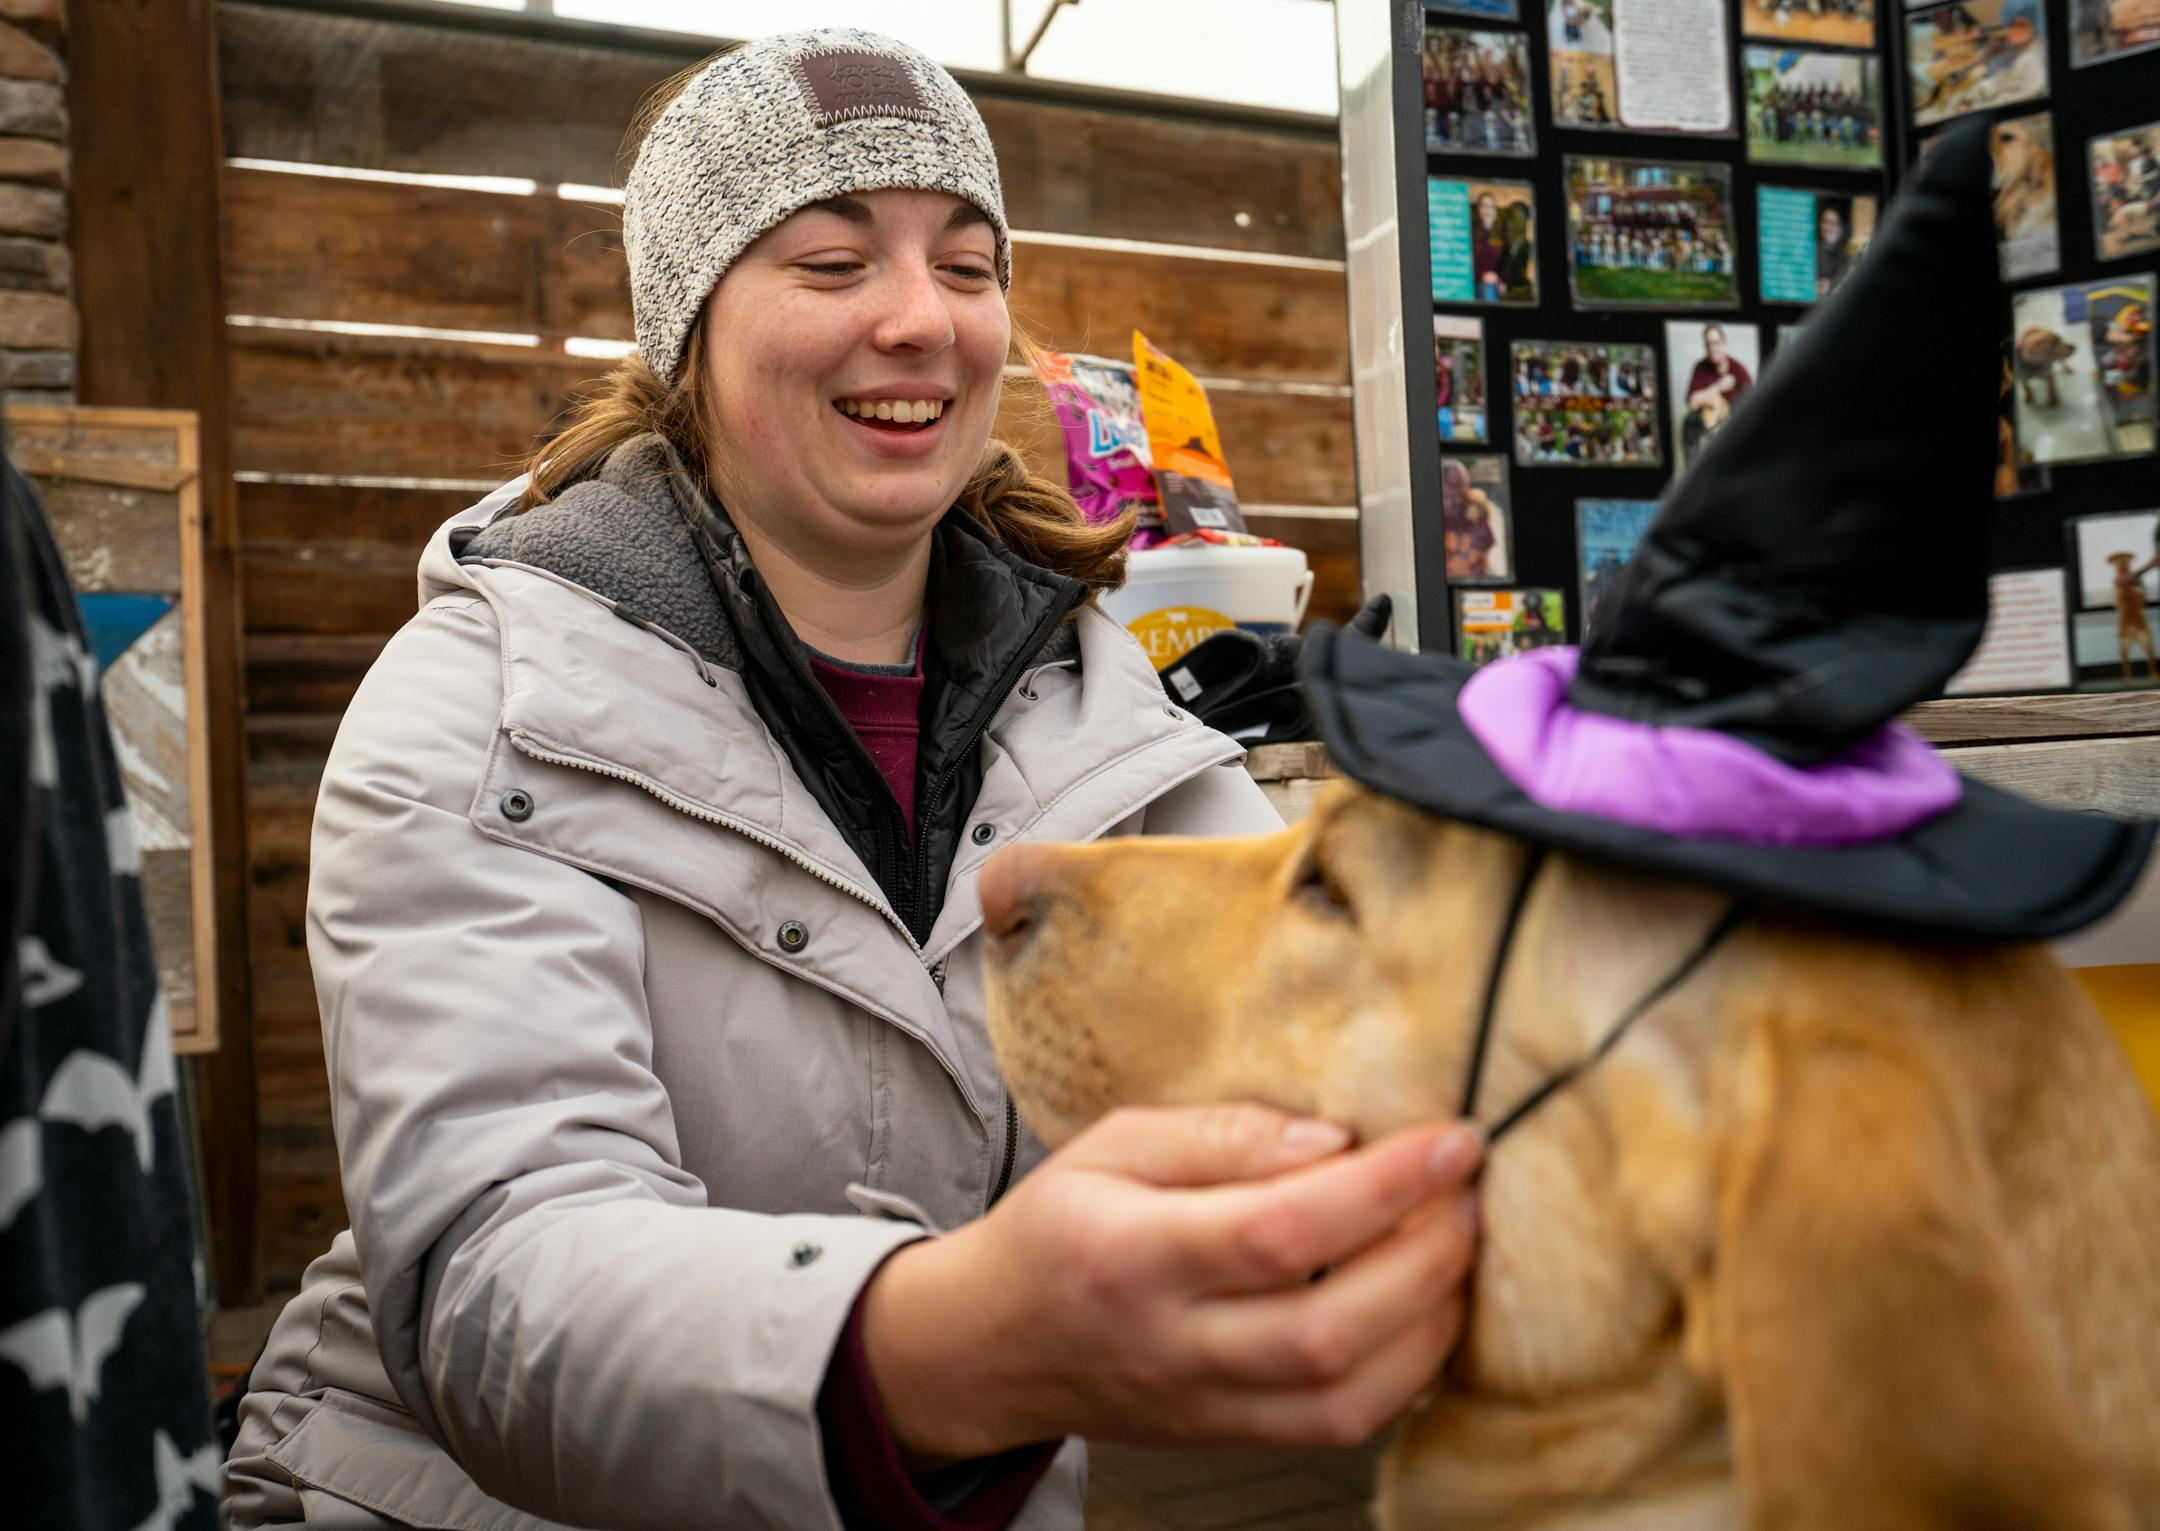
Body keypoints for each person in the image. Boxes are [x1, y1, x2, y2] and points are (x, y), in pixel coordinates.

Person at [223, 30, 1481, 1531]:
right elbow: (505, 1283)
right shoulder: (482, 713)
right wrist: (957, 1340)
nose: (920, 322)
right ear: (686, 330)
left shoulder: (1101, 699)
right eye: (830, 265)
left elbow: (1350, 1044)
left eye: (966, 267)